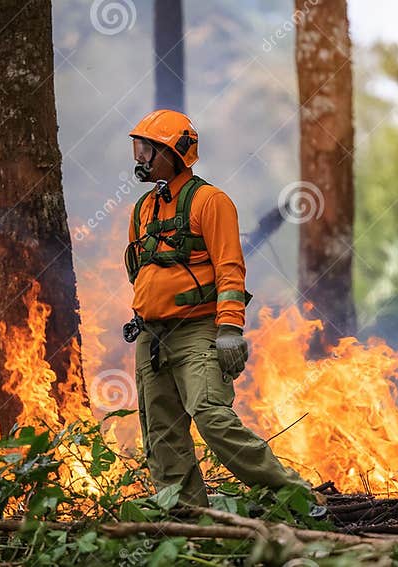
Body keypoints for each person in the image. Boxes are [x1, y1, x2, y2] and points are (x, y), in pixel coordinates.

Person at [123, 109, 320, 508]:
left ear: (173, 153)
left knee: (211, 415)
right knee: (161, 432)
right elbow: (139, 269)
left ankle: (295, 494)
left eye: (147, 149)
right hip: (151, 336)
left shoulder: (211, 202)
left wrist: (229, 329)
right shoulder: (143, 209)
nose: (139, 157)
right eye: (138, 147)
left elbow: (230, 268)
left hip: (198, 331)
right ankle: (186, 515)